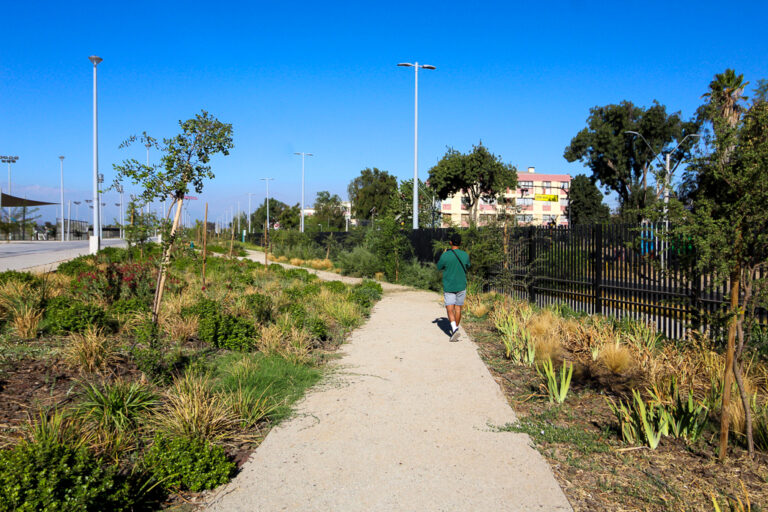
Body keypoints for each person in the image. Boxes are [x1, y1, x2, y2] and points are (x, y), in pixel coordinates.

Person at [437, 233, 470, 342]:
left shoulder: (445, 255)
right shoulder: (465, 255)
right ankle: (455, 328)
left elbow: (438, 267)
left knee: (449, 309)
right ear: (461, 243)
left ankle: (454, 330)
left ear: (450, 242)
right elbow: (468, 266)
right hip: (461, 285)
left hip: (449, 285)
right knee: (458, 308)